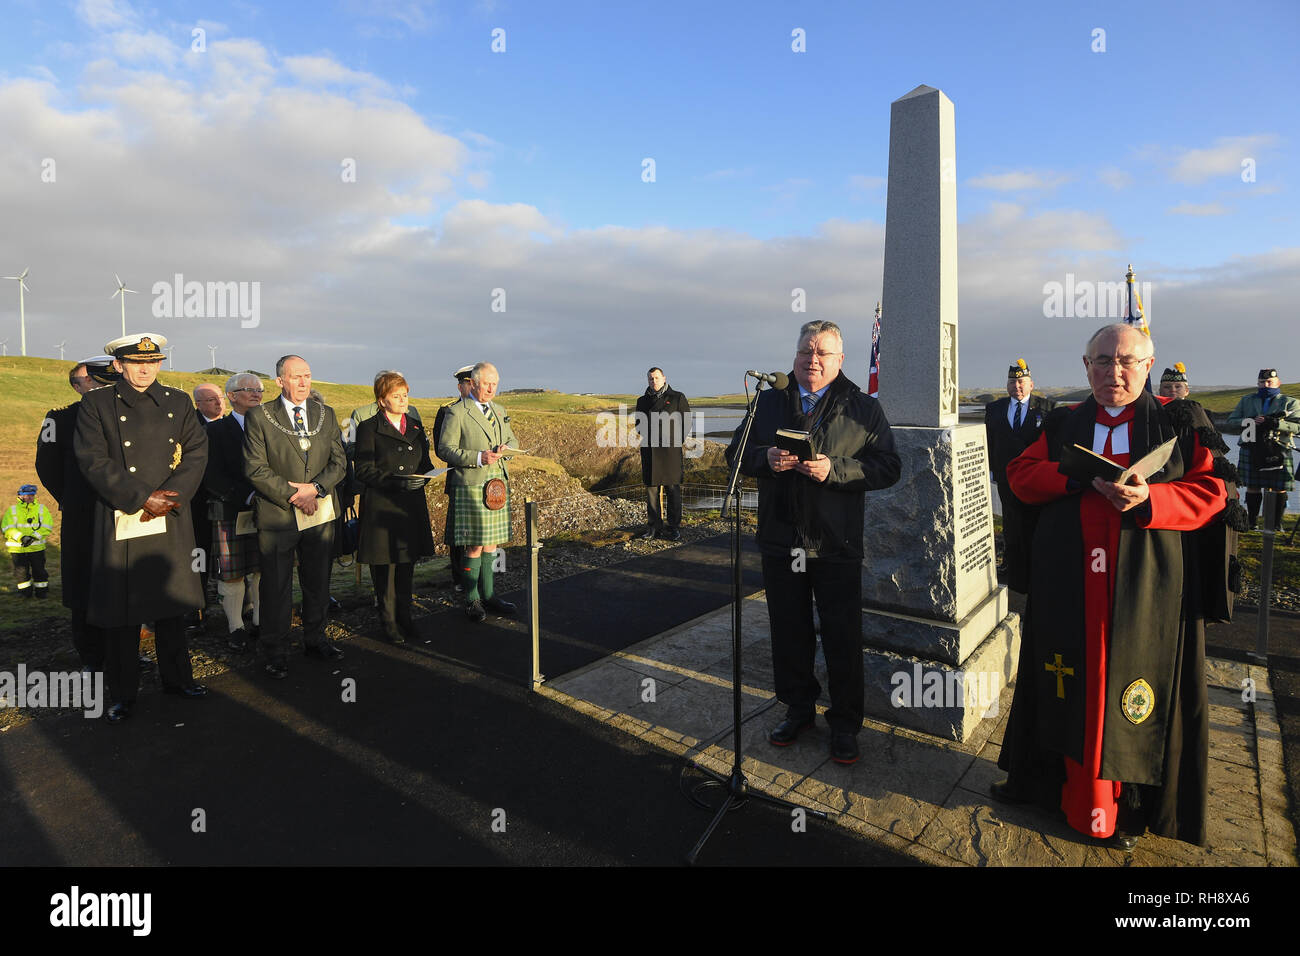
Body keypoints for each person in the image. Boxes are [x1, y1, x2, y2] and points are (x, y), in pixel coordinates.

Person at [994, 323, 1229, 850]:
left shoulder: (1179, 423)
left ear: (1149, 366)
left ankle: (1118, 811)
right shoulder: (1064, 422)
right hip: (1068, 585)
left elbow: (1212, 492)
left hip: (1144, 587)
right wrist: (1073, 477)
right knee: (1061, 683)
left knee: (1124, 691)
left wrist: (1151, 501)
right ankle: (1041, 787)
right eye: (1101, 361)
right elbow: (1019, 474)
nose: (1113, 372)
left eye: (1126, 361)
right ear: (1086, 367)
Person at [725, 320, 900, 765]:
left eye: (823, 353)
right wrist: (764, 458)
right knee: (790, 631)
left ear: (840, 360)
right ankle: (798, 708)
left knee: (842, 637)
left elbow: (888, 466)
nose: (813, 360)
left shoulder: (862, 408)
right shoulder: (768, 402)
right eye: (806, 351)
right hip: (781, 540)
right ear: (795, 355)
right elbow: (734, 455)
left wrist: (835, 470)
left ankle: (844, 724)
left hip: (835, 544)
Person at [74, 332, 210, 721]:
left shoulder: (178, 401)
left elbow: (197, 451)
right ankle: (123, 693)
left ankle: (178, 678)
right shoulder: (96, 403)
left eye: (153, 361)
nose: (146, 368)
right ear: (118, 365)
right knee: (123, 609)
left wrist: (170, 495)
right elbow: (93, 460)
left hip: (168, 511)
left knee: (171, 600)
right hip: (123, 513)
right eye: (136, 362)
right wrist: (139, 497)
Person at [243, 354, 347, 679]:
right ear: (279, 381)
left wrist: (315, 489)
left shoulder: (325, 414)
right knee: (276, 586)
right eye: (296, 376)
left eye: (307, 375)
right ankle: (275, 650)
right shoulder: (259, 417)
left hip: (318, 512)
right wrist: (294, 494)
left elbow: (339, 462)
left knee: (317, 581)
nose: (304, 382)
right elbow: (255, 468)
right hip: (278, 516)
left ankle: (315, 639)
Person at [35, 357, 118, 667]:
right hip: (81, 515)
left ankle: (122, 652)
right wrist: (71, 498)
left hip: (120, 513)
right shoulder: (58, 420)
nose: (100, 385)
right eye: (92, 380)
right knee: (83, 585)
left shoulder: (123, 416)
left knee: (120, 583)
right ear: (78, 386)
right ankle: (91, 656)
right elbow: (46, 466)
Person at [354, 371, 435, 643]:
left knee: (405, 565)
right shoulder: (368, 428)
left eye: (405, 395)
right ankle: (388, 622)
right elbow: (363, 470)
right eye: (396, 396)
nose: (403, 400)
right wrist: (394, 481)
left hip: (410, 506)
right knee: (384, 568)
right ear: (382, 400)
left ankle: (406, 618)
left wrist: (429, 475)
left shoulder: (414, 425)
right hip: (382, 506)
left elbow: (424, 464)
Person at [436, 361, 519, 623]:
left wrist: (508, 448)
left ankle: (490, 595)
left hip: (497, 484)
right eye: (486, 384)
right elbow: (445, 449)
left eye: (495, 384)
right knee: (473, 545)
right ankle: (472, 600)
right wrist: (479, 457)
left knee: (491, 545)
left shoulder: (500, 410)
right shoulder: (457, 412)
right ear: (473, 383)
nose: (491, 389)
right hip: (471, 483)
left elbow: (513, 440)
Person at [203, 373, 264, 651]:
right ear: (231, 396)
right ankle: (235, 627)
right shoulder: (214, 432)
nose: (255, 393)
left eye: (259, 389)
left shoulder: (270, 427)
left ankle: (261, 622)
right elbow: (210, 474)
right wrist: (247, 495)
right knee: (232, 574)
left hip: (268, 507)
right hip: (230, 508)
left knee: (264, 569)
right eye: (247, 389)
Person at [983, 359, 1055, 593]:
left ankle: (1038, 575)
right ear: (1007, 385)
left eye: (1022, 381)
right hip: (1006, 478)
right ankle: (1014, 579)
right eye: (1013, 382)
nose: (1018, 386)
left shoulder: (1047, 408)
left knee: (1035, 525)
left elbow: (1054, 445)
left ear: (1031, 384)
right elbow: (989, 441)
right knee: (1012, 526)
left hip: (1036, 478)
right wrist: (991, 468)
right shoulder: (994, 409)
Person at [1226, 368, 1299, 530]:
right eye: (1262, 382)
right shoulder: (1247, 400)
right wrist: (1250, 420)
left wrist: (1276, 423)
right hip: (1251, 447)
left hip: (1279, 448)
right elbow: (1231, 421)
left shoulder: (1291, 402)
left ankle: (1276, 524)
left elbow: (1298, 426)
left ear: (1278, 382)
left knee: (1279, 487)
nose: (1265, 385)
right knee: (1252, 486)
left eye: (1269, 382)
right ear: (1257, 383)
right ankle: (1252, 522)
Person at [636, 367, 692, 541]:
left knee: (672, 490)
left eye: (657, 378)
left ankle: (674, 527)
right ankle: (654, 527)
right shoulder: (642, 401)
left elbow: (686, 422)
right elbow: (639, 425)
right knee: (652, 491)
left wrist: (675, 440)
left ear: (664, 378)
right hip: (650, 451)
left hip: (670, 452)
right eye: (651, 379)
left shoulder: (677, 397)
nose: (654, 381)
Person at [432, 366, 475, 591]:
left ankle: (481, 577)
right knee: (460, 533)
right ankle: (459, 578)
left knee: (482, 533)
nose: (473, 386)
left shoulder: (488, 411)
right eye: (469, 383)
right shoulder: (448, 411)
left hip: (484, 481)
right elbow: (442, 449)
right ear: (460, 387)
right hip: (460, 479)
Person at [3, 484, 53, 598]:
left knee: (39, 571)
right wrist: (22, 537)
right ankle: (25, 594)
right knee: (21, 573)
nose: (30, 497)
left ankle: (42, 593)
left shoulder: (41, 509)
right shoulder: (12, 510)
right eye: (26, 495)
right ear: (20, 496)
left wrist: (33, 537)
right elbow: (7, 528)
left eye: (32, 495)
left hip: (36, 547)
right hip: (18, 548)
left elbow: (47, 526)